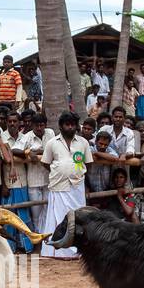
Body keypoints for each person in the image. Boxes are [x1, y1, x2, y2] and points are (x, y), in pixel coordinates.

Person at [39, 111, 89, 259]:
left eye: (73, 124)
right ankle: (57, 251)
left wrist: (75, 173)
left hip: (77, 186)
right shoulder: (52, 143)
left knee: (78, 217)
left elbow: (87, 164)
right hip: (58, 186)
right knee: (59, 217)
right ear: (61, 126)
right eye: (67, 124)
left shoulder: (83, 143)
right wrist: (60, 172)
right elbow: (46, 163)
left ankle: (76, 251)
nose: (70, 127)